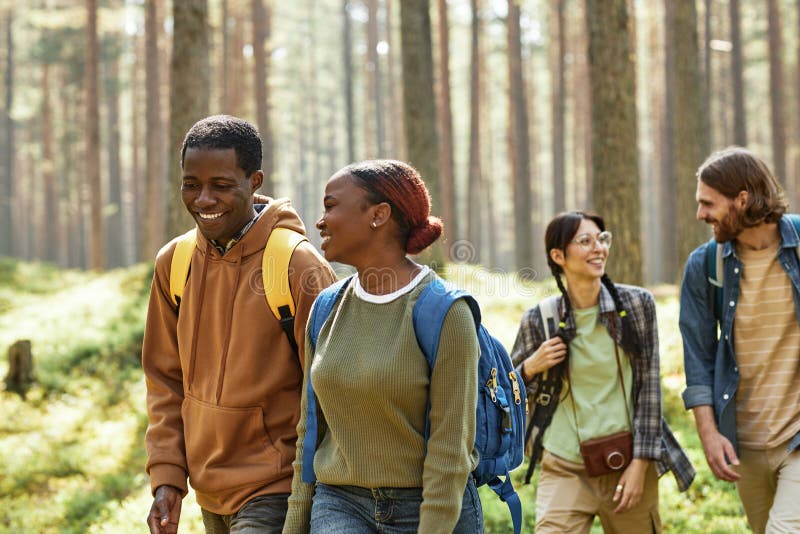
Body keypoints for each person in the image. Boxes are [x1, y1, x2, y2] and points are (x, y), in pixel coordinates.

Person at [143, 115, 336, 534]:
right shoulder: (173, 263)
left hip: (278, 487)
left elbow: (330, 388)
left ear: (255, 181)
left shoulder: (296, 264)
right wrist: (168, 478)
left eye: (222, 185)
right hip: (207, 487)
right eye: (191, 184)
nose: (203, 199)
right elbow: (164, 381)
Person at [282, 160, 483, 533]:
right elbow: (310, 430)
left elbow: (451, 447)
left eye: (330, 206)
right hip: (339, 502)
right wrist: (295, 524)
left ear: (378, 215)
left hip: (428, 505)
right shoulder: (325, 308)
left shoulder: (446, 311)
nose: (320, 222)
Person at [512, 211, 694, 533]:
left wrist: (640, 464)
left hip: (626, 462)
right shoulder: (540, 319)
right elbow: (504, 393)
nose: (598, 248)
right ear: (558, 256)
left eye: (602, 238)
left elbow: (649, 387)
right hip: (564, 466)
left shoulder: (637, 305)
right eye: (585, 241)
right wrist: (530, 366)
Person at [680, 147, 800, 533]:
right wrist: (709, 434)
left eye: (708, 203)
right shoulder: (704, 265)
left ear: (742, 200)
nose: (700, 214)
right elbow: (698, 356)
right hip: (744, 442)